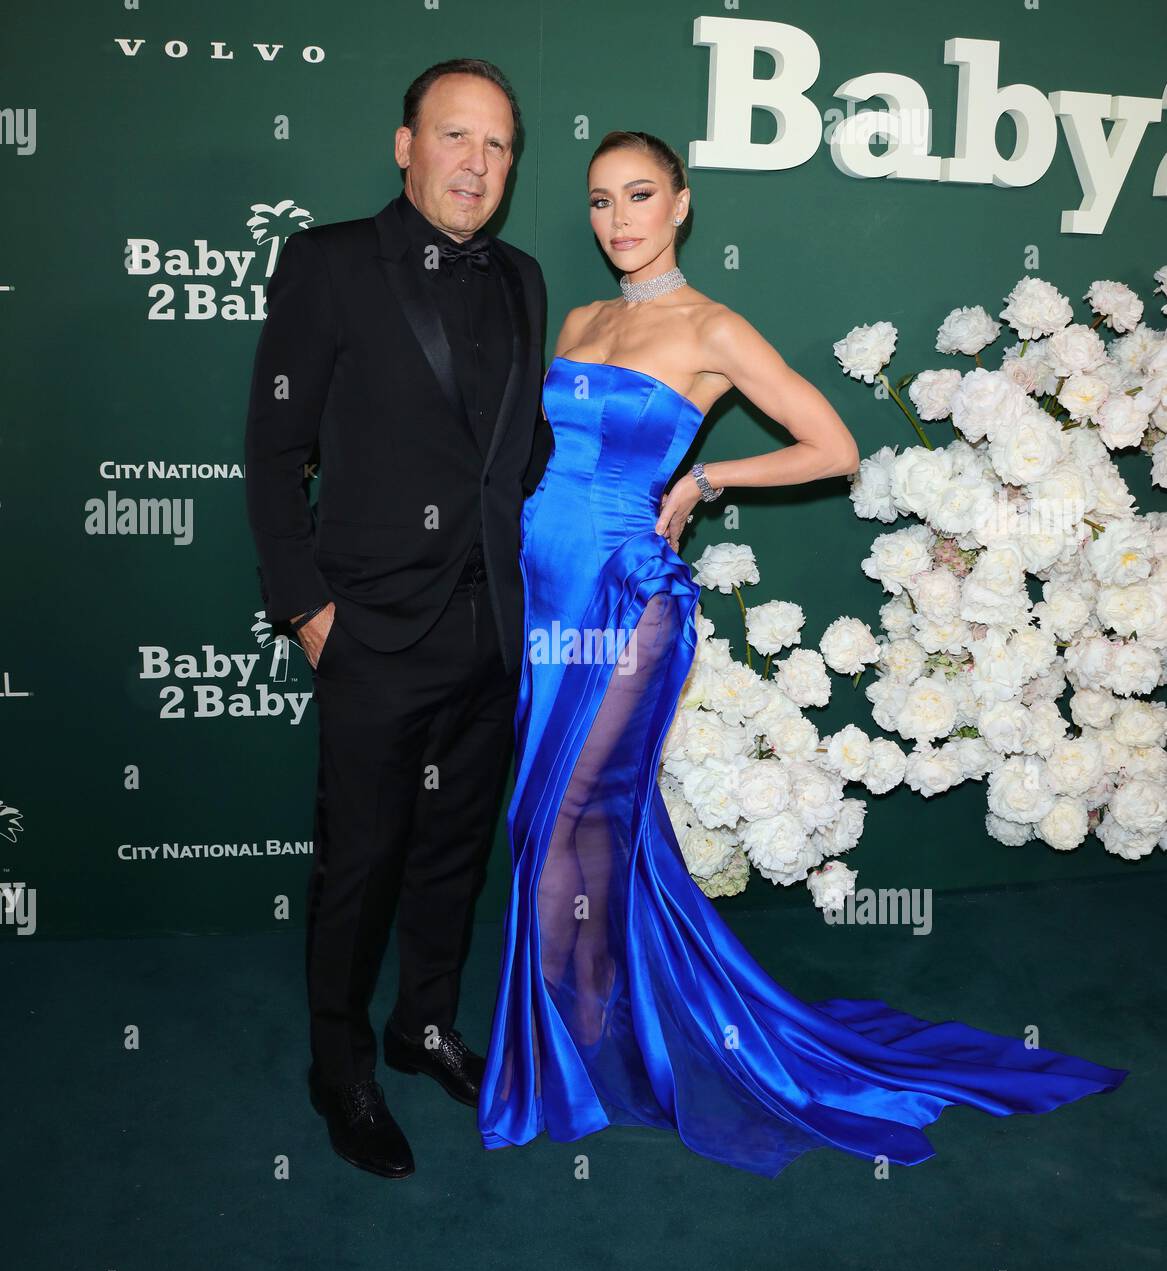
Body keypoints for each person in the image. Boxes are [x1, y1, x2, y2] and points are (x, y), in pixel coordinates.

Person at [476, 130, 1129, 1178]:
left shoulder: (713, 325)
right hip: (546, 590)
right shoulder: (586, 316)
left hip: (628, 596)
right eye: (601, 201)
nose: (619, 220)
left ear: (682, 204)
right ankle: (591, 1023)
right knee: (564, 821)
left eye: (640, 196)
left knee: (562, 816)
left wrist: (705, 481)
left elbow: (833, 446)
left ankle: (569, 1050)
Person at [245, 59, 554, 1179]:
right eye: (456, 137)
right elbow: (275, 451)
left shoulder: (522, 277)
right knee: (361, 863)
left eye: (499, 146)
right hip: (370, 630)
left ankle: (423, 1025)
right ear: (405, 144)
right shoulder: (329, 262)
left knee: (451, 854)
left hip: (487, 628)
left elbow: (515, 444)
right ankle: (339, 1068)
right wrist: (306, 608)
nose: (477, 162)